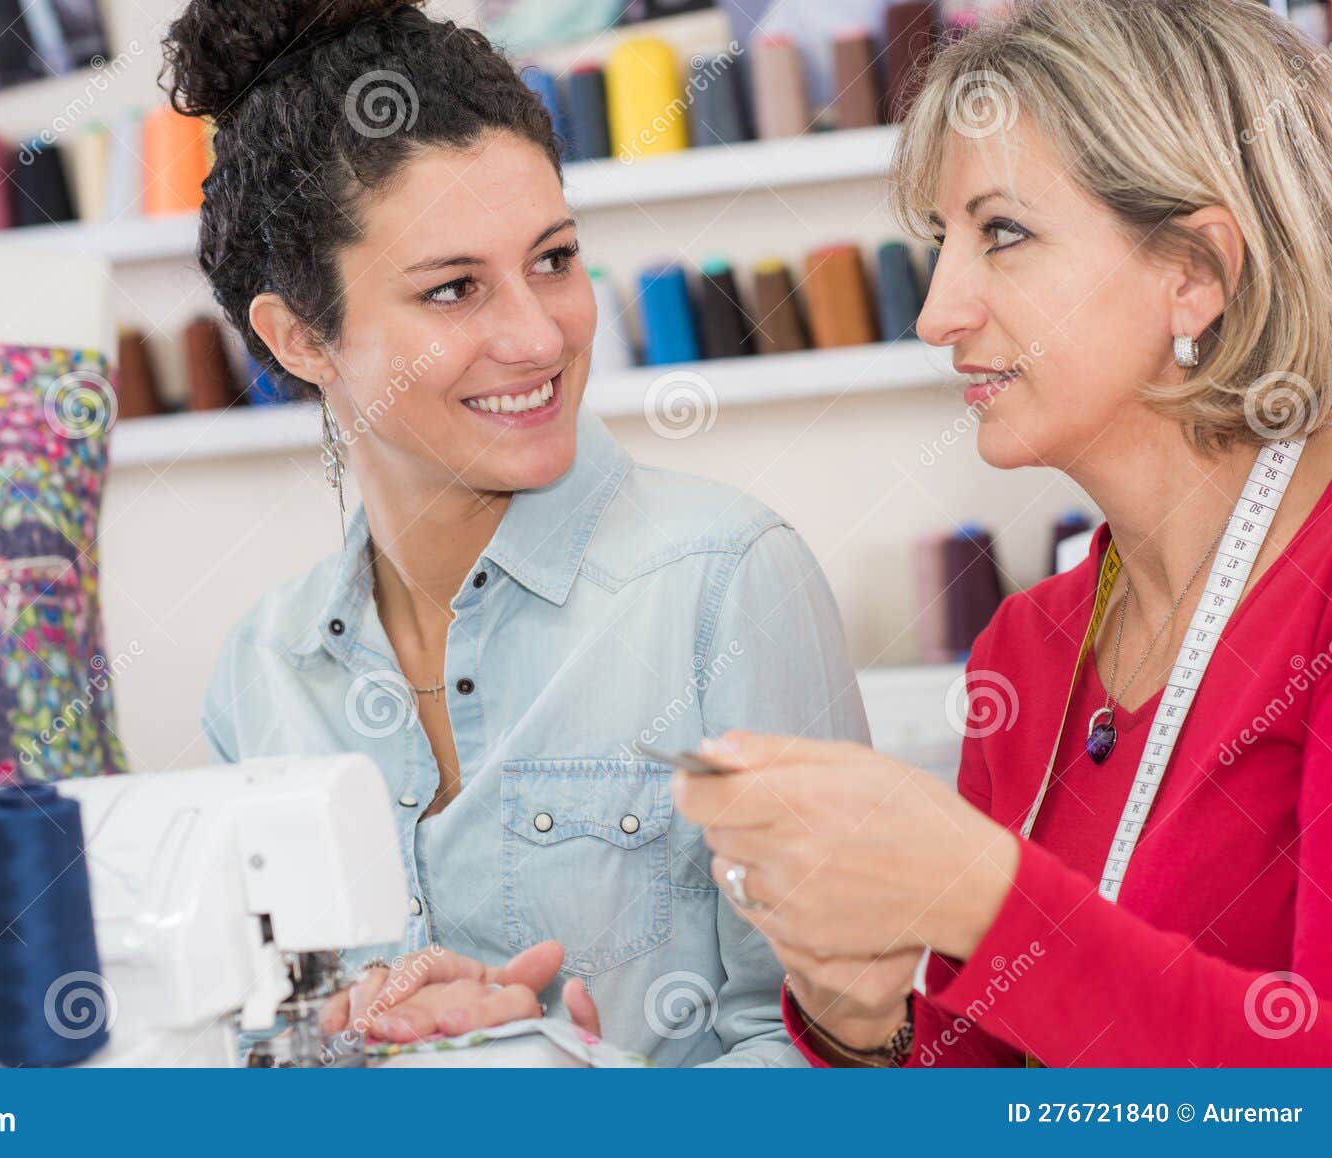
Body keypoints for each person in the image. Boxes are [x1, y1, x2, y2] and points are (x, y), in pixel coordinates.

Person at [167, 0, 867, 1065]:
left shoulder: (723, 583)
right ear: (299, 336)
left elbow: (851, 1053)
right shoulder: (260, 678)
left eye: (553, 259)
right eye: (454, 289)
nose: (539, 334)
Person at [676, 0, 1332, 1066]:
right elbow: (988, 1095)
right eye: (942, 244)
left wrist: (981, 897)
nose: (936, 313)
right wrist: (864, 1017)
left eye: (1003, 233)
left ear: (1196, 273)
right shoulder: (1026, 653)